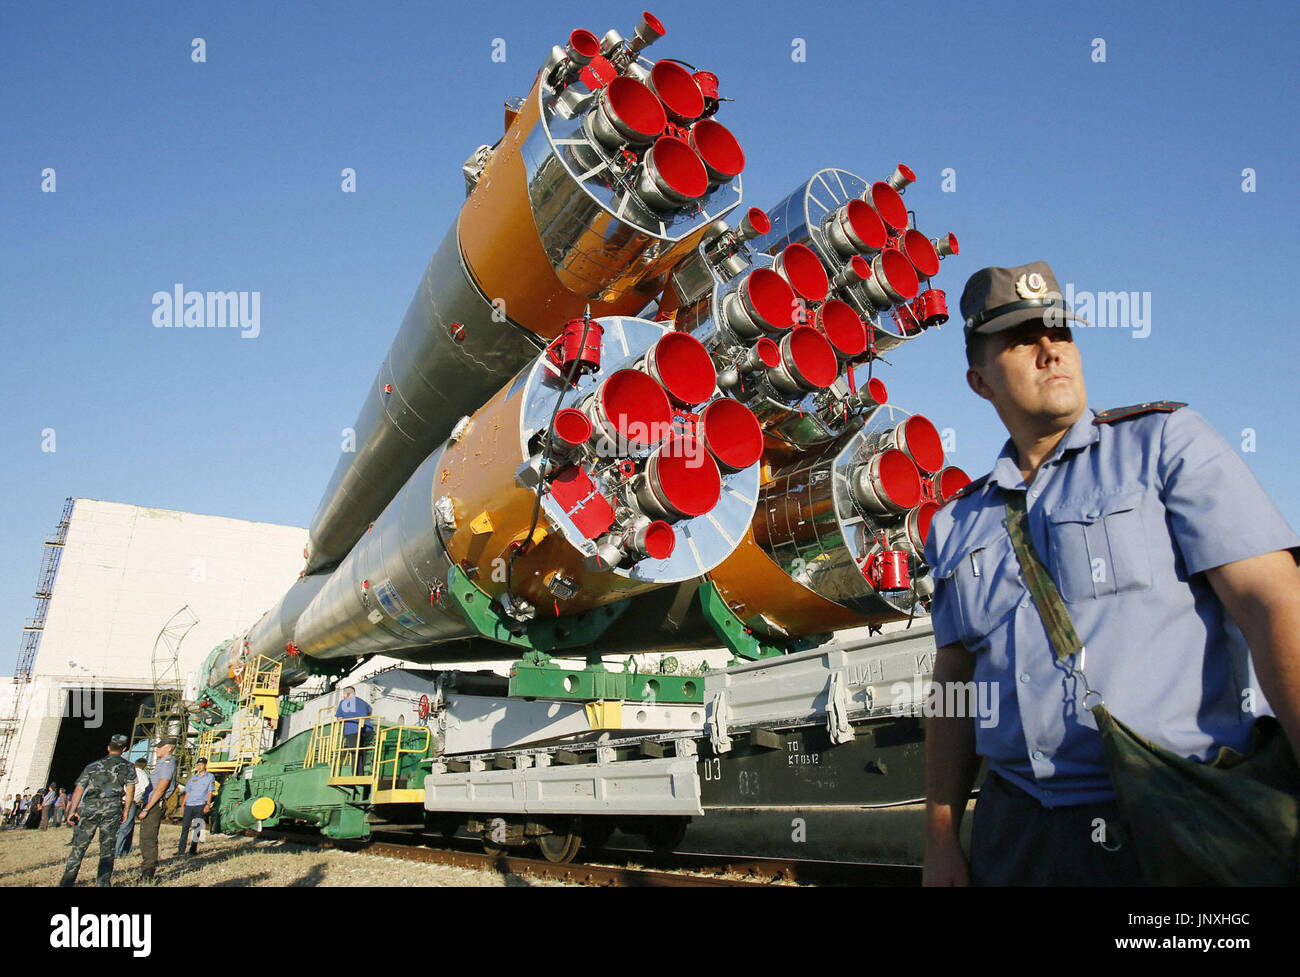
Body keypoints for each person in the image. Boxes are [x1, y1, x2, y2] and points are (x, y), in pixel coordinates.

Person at [922, 261, 1300, 886]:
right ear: (979, 381)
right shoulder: (957, 524)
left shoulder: (1165, 445)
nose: (1051, 351)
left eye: (1061, 333)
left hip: (1173, 817)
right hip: (1016, 835)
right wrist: (941, 839)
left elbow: (1273, 604)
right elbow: (955, 685)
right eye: (1021, 339)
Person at [59, 734, 136, 887]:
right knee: (107, 849)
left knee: (79, 847)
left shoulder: (93, 766)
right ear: (124, 749)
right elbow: (131, 789)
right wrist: (126, 810)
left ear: (108, 748)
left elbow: (79, 788)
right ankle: (103, 883)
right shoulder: (128, 767)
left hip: (90, 808)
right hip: (112, 809)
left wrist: (72, 810)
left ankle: (66, 883)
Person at [135, 736, 179, 883]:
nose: (157, 749)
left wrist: (147, 809)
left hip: (154, 805)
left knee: (148, 839)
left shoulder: (167, 763)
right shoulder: (163, 763)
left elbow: (161, 788)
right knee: (145, 838)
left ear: (169, 748)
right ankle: (147, 869)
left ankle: (147, 875)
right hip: (152, 803)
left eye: (160, 746)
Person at [176, 758, 216, 857]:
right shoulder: (193, 778)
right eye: (198, 764)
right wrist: (182, 805)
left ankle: (193, 849)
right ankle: (181, 850)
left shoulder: (210, 777)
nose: (199, 766)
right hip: (189, 805)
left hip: (200, 804)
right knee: (185, 828)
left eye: (201, 765)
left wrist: (207, 804)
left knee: (197, 828)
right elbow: (188, 792)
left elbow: (210, 791)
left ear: (205, 765)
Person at [335, 687, 374, 775]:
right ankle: (362, 772)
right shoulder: (362, 702)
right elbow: (370, 710)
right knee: (361, 751)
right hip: (367, 729)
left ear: (347, 694)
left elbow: (339, 718)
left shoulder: (344, 702)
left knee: (354, 752)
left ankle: (356, 774)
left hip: (352, 729)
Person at [115, 759, 150, 856]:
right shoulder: (142, 774)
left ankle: (124, 850)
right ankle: (118, 852)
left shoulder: (127, 771)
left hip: (120, 800)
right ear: (145, 765)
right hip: (131, 802)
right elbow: (145, 789)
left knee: (122, 826)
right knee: (126, 827)